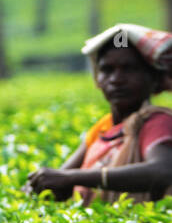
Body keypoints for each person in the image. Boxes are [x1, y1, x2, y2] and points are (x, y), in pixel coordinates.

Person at [27, 23, 172, 207]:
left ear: (154, 78)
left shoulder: (156, 122)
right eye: (107, 69)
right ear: (97, 78)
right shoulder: (103, 128)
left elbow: (164, 170)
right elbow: (59, 177)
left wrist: (73, 178)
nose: (116, 79)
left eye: (129, 68)